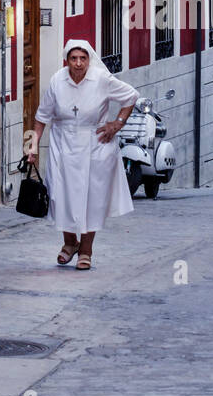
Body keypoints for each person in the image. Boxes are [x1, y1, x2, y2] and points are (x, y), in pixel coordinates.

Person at [27, 38, 138, 270]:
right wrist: (33, 144)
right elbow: (41, 116)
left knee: (92, 199)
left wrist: (116, 124)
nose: (78, 63)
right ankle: (69, 243)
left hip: (95, 144)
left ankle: (86, 250)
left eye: (83, 58)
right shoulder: (57, 81)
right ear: (66, 60)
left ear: (89, 59)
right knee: (61, 195)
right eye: (73, 58)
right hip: (63, 144)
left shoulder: (102, 79)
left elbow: (131, 96)